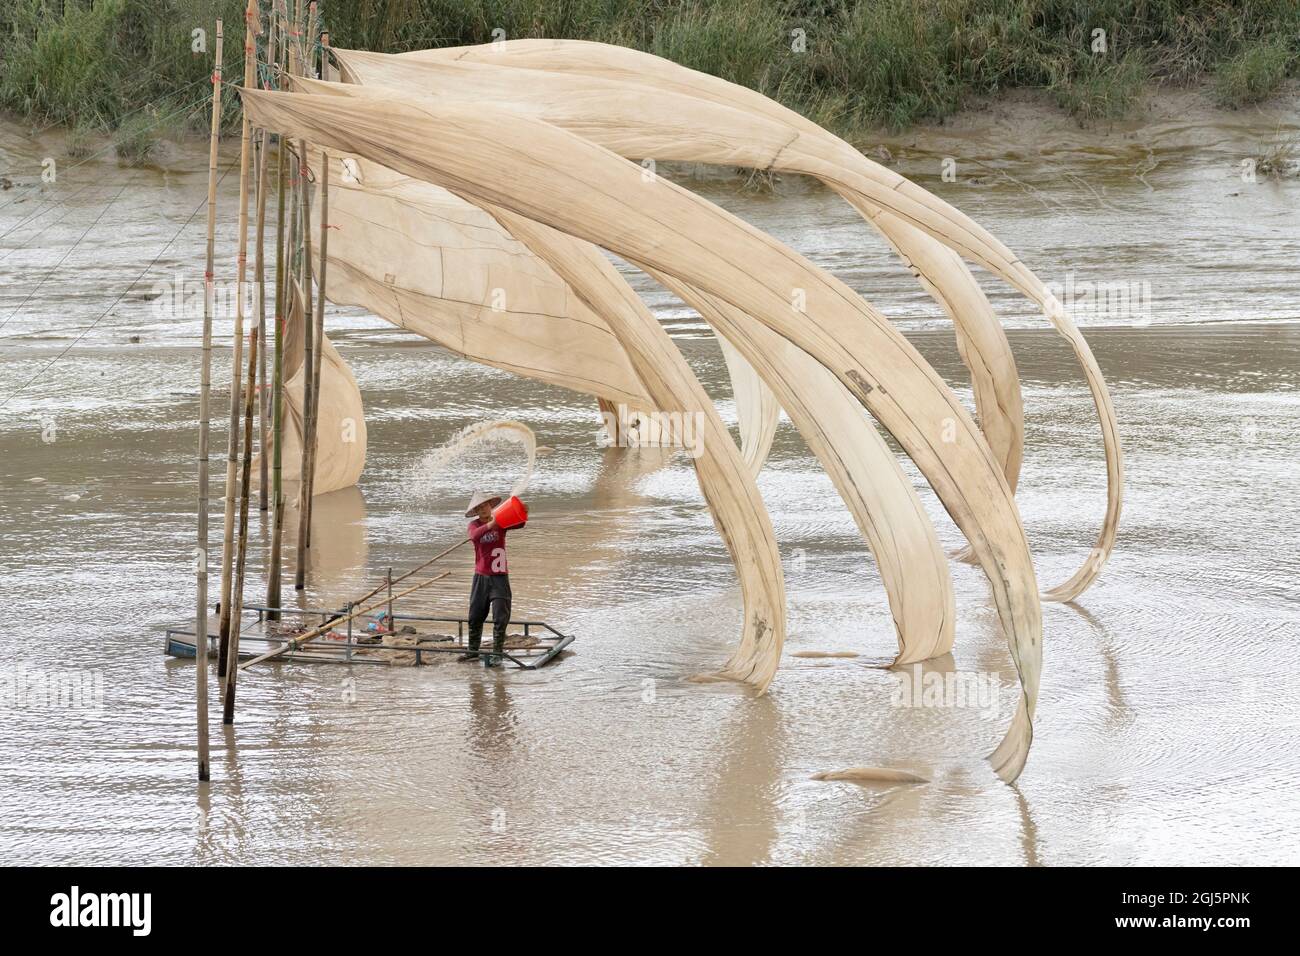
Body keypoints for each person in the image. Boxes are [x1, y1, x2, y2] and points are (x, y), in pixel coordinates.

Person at [460, 491, 524, 667]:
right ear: (476, 511)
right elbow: (474, 536)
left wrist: (520, 510)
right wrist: (491, 525)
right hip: (481, 576)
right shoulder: (474, 525)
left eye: (485, 505)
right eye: (479, 507)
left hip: (499, 578)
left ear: (490, 506)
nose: (483, 509)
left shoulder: (500, 522)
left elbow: (520, 523)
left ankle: (497, 653)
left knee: (500, 616)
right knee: (475, 616)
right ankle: (473, 650)